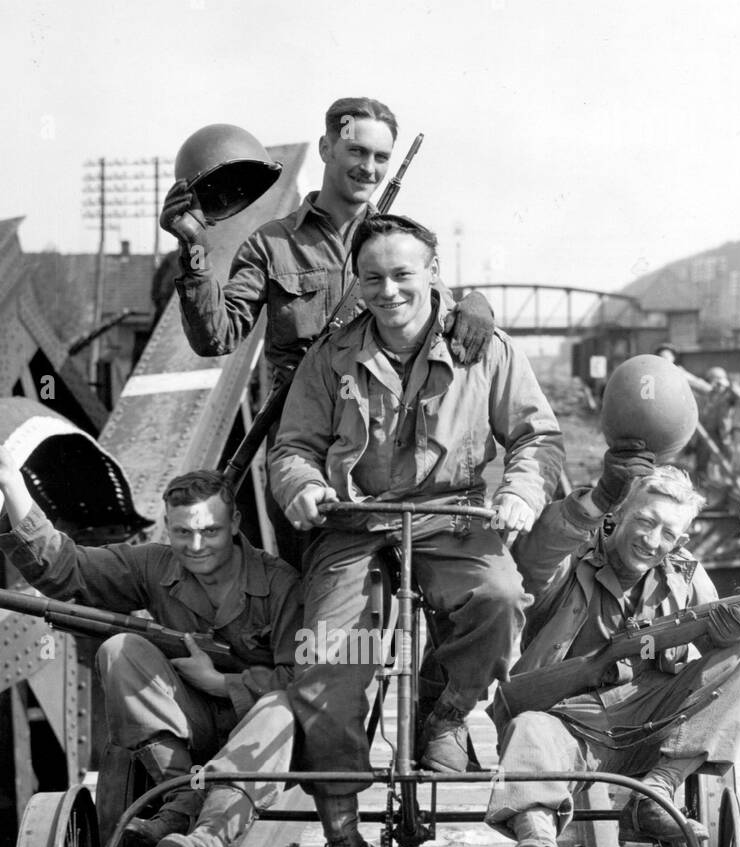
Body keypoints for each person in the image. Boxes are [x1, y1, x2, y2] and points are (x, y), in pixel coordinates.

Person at [268, 213, 565, 847]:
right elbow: (293, 447)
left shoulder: (482, 348)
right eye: (373, 278)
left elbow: (538, 436)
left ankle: (447, 707)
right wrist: (301, 484)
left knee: (498, 599)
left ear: (434, 273)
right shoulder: (331, 358)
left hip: (452, 516)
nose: (389, 290)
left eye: (404, 274)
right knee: (325, 670)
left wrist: (522, 491)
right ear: (358, 285)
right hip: (356, 521)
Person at [159, 97, 496, 556]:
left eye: (381, 157)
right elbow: (217, 337)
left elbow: (443, 310)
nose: (369, 168)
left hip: (385, 453)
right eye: (357, 151)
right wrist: (194, 250)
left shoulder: (396, 244)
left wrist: (477, 304)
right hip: (303, 455)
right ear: (325, 148)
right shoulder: (272, 244)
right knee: (307, 597)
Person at [0, 448, 301, 847]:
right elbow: (69, 571)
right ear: (167, 526)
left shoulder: (280, 583)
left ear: (236, 524)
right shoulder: (154, 564)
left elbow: (307, 680)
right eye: (182, 532)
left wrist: (223, 683)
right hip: (189, 725)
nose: (196, 546)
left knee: (279, 705)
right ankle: (179, 799)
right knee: (121, 648)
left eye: (210, 531)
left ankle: (204, 841)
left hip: (258, 734)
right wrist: (12, 485)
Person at [486, 460, 740, 847]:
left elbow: (732, 662)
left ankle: (654, 794)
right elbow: (535, 556)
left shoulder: (685, 575)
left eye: (668, 533)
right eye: (645, 521)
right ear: (619, 514)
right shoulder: (568, 560)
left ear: (681, 540)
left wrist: (735, 634)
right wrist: (588, 504)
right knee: (528, 730)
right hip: (568, 723)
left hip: (650, 732)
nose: (652, 540)